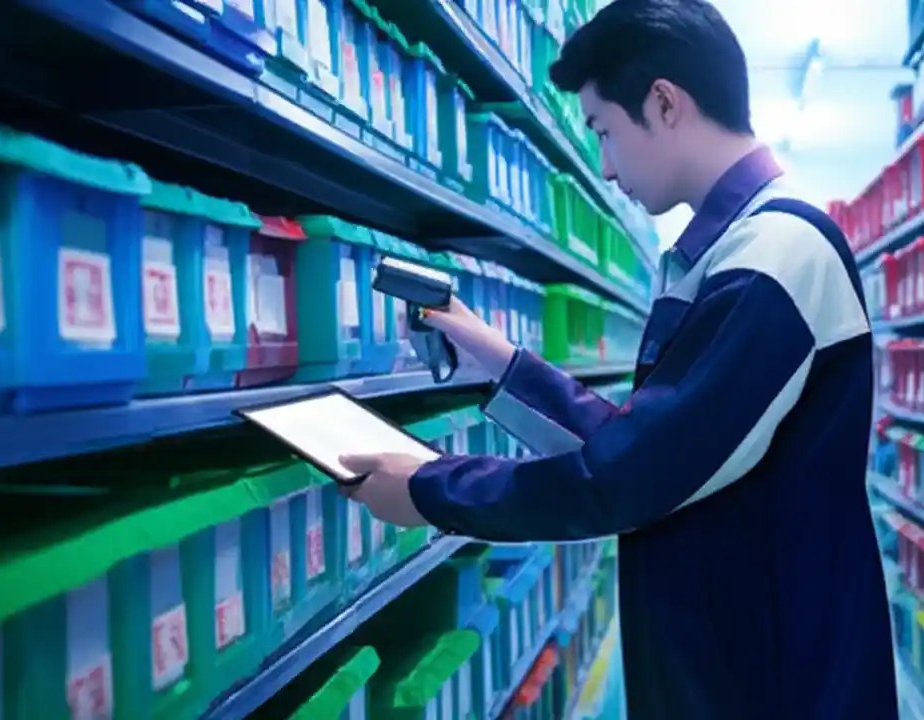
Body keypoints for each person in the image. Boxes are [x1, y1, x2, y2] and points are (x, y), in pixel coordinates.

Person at [340, 0, 896, 716]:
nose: (603, 168)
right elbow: (642, 440)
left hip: (774, 680)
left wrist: (429, 490)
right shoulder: (726, 253)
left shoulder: (777, 256)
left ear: (664, 104)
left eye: (604, 131)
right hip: (735, 655)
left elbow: (629, 475)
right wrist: (493, 353)